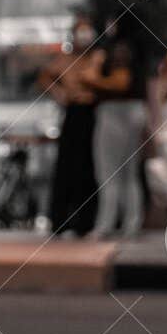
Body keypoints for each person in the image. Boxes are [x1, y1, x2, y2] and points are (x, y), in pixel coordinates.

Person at [81, 22, 146, 238]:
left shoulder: (116, 49)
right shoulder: (137, 48)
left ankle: (106, 224)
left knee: (108, 172)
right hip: (133, 111)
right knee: (129, 174)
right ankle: (131, 224)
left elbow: (120, 83)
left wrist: (94, 76)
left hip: (115, 112)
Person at [39, 13, 100, 237]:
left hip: (92, 113)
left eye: (87, 30)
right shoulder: (65, 59)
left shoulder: (97, 57)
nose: (84, 35)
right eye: (80, 30)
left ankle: (86, 221)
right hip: (73, 114)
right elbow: (44, 77)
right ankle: (60, 220)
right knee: (66, 166)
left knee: (89, 167)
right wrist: (59, 93)